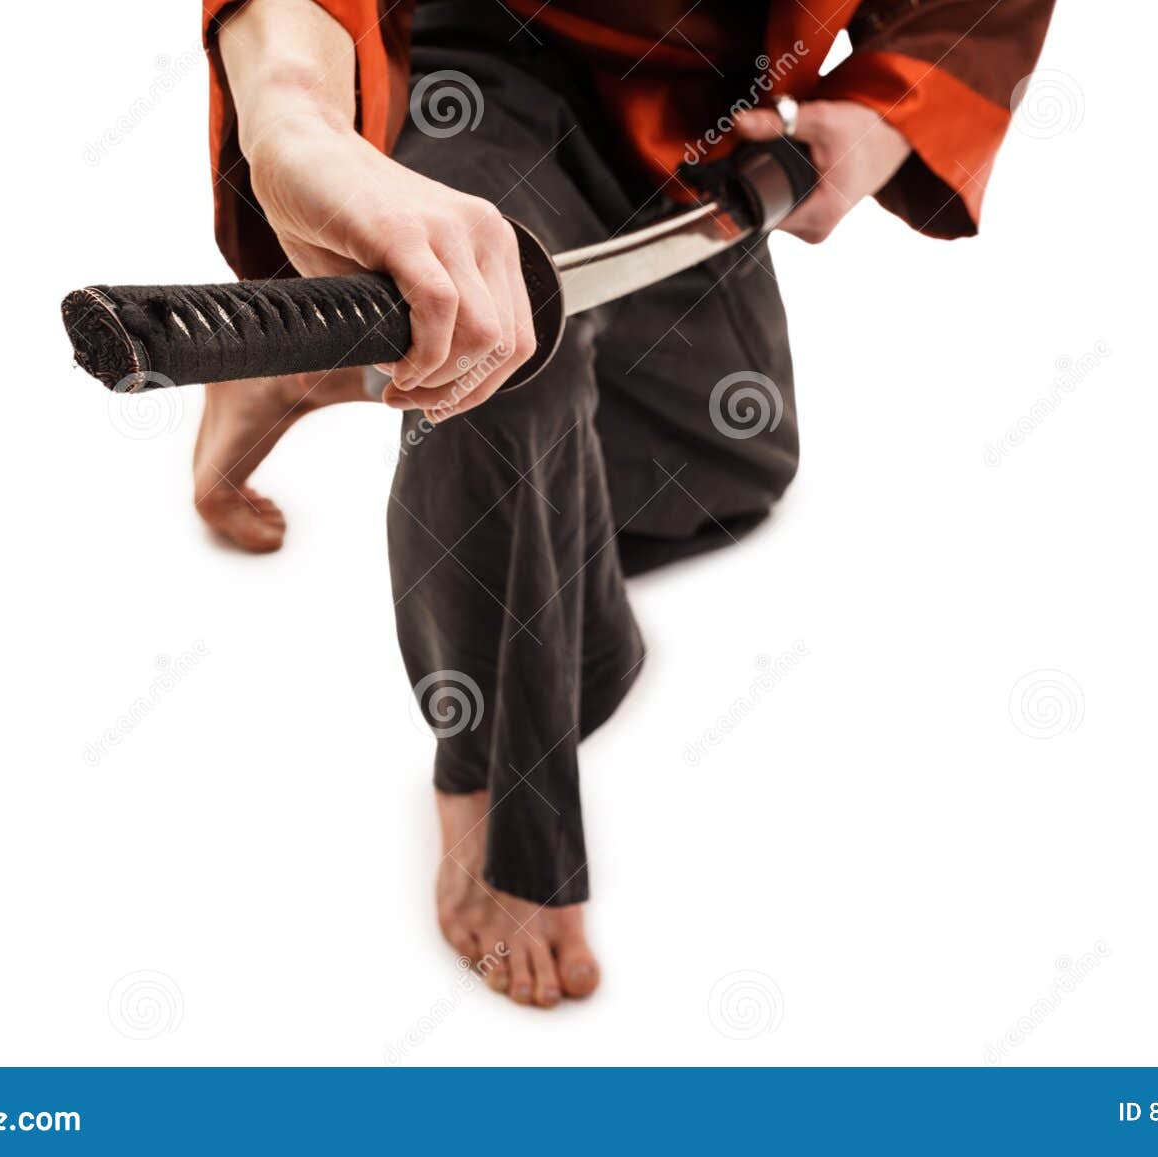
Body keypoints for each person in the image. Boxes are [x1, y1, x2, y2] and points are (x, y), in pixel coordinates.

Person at [193, 0, 1054, 1007]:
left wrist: (886, 108)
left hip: (692, 108)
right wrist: (292, 111)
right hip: (463, 55)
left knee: (732, 464)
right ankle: (496, 791)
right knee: (512, 350)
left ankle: (326, 362)